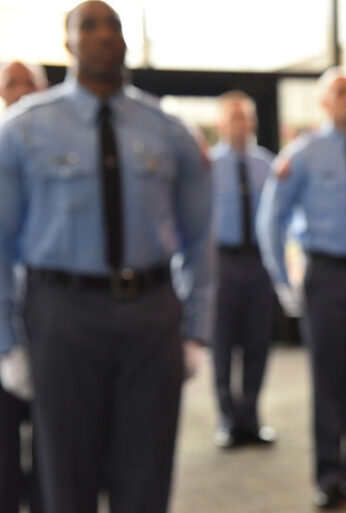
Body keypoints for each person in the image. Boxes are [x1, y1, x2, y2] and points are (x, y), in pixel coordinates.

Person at [0, 2, 215, 512]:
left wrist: (194, 328)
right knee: (65, 474)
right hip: (62, 316)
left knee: (146, 471)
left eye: (114, 25)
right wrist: (7, 343)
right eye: (89, 26)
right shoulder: (23, 130)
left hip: (150, 315)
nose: (104, 35)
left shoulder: (168, 130)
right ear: (68, 43)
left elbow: (200, 233)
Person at [257, 68, 346, 509]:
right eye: (340, 91)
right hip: (327, 278)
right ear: (323, 103)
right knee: (329, 378)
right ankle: (330, 474)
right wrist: (285, 281)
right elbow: (271, 220)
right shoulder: (303, 154)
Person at [210, 91, 277, 448]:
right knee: (221, 345)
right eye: (235, 116)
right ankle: (227, 420)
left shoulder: (268, 165)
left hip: (258, 263)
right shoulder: (207, 165)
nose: (243, 123)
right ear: (220, 123)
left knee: (257, 343)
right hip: (222, 262)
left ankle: (250, 418)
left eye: (247, 117)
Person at [0, 60, 46, 513]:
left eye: (29, 82)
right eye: (11, 82)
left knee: (57, 445)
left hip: (54, 314)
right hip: (2, 319)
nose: (20, 90)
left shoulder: (60, 151)